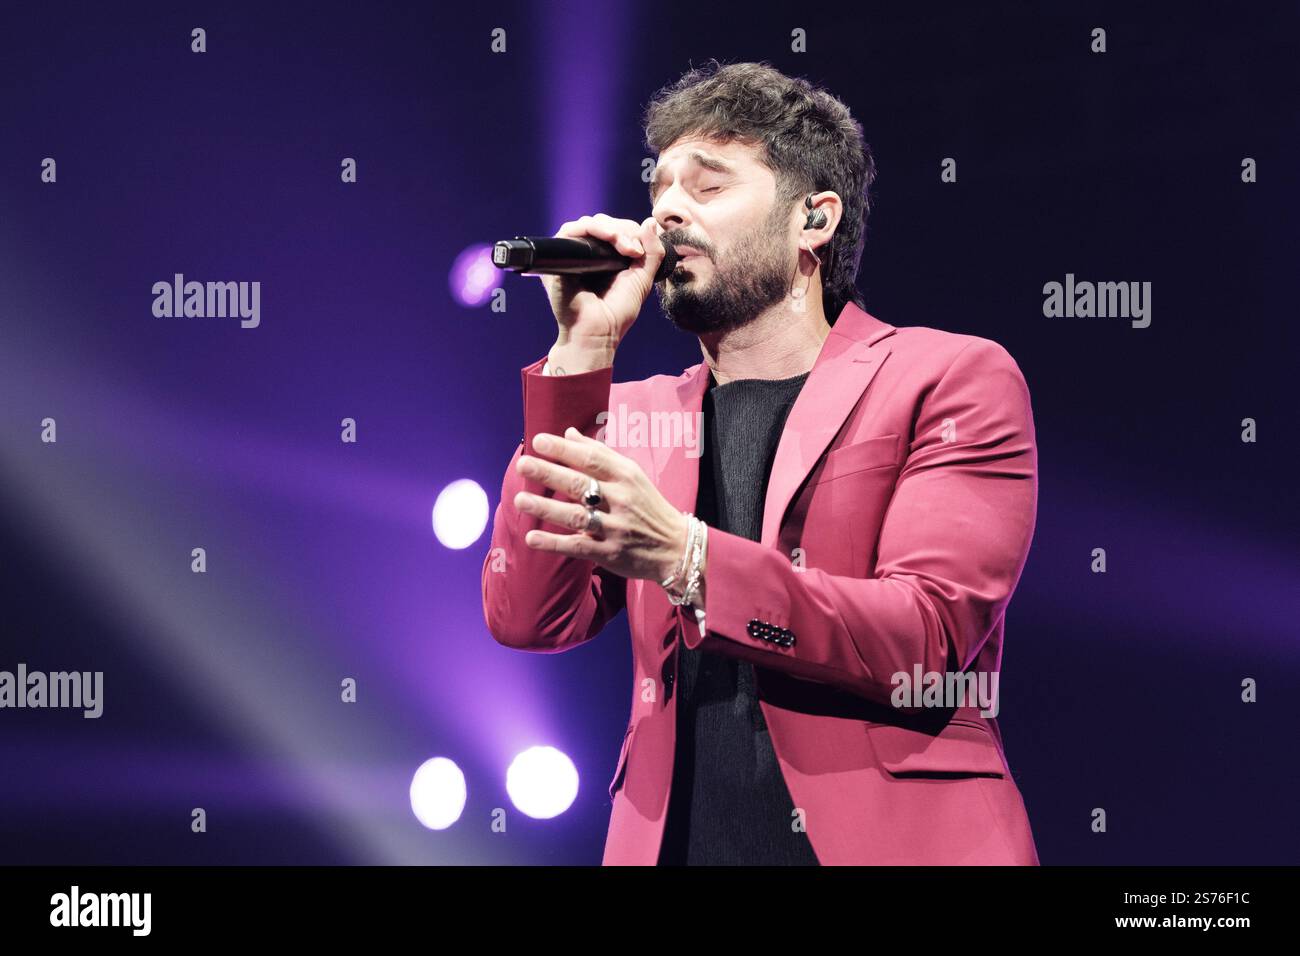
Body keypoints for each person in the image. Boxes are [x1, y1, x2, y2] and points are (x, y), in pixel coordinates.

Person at [481, 60, 1040, 865]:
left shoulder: (946, 377)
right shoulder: (634, 415)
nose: (666, 210)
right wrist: (581, 350)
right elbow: (529, 616)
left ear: (813, 221)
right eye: (660, 187)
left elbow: (926, 636)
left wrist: (689, 559)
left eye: (707, 187)